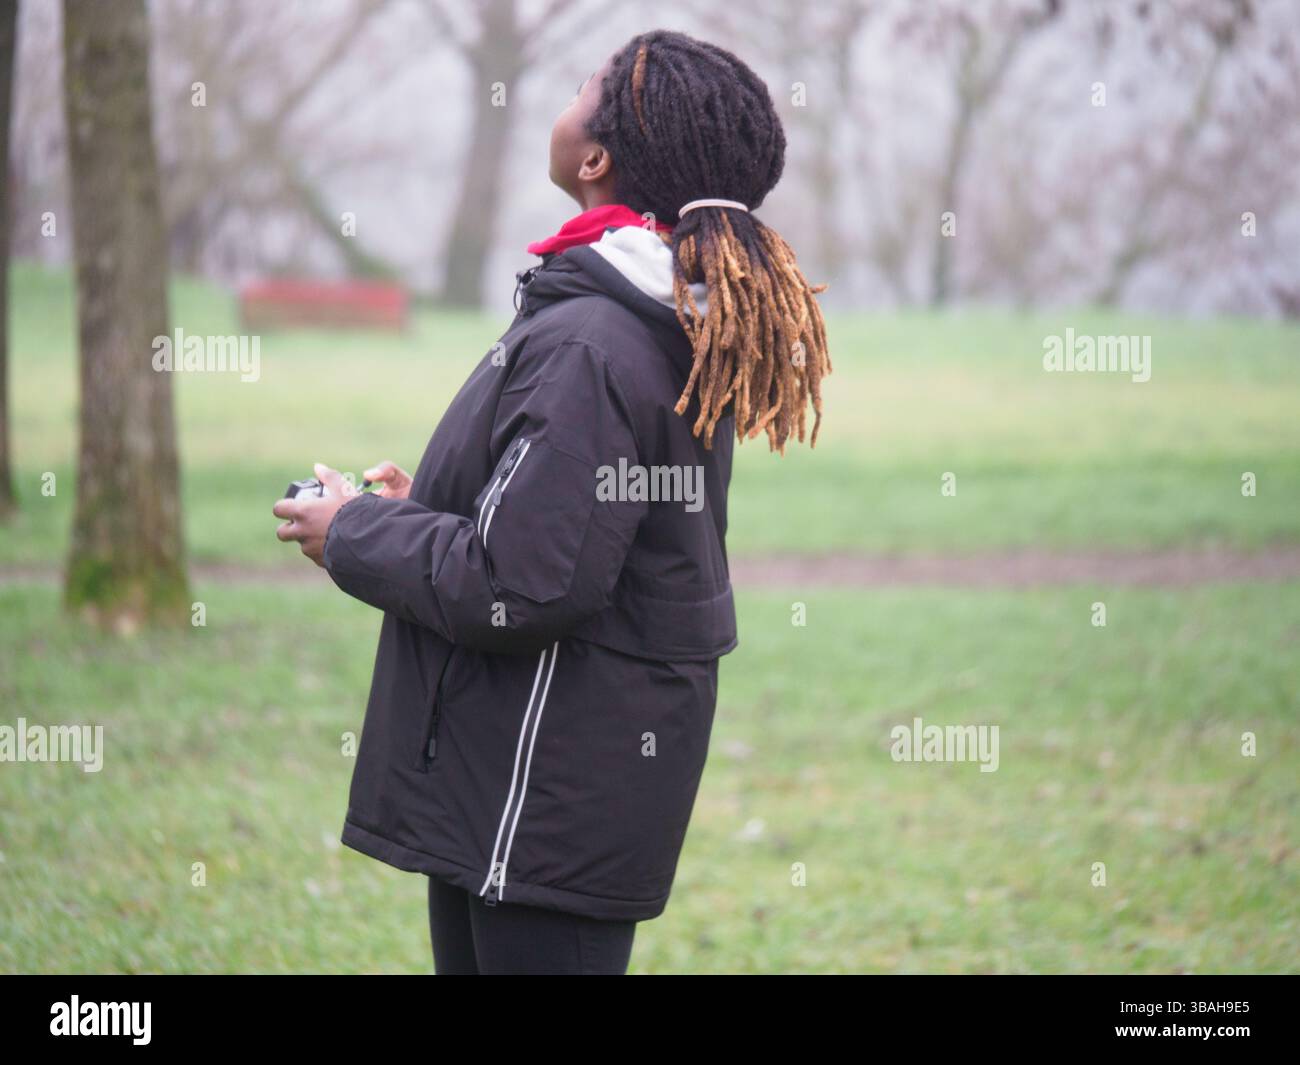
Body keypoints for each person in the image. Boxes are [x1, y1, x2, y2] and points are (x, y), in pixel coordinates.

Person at [273, 28, 830, 975]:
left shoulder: (595, 339)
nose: (562, 103)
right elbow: (563, 528)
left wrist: (358, 532)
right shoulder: (630, 316)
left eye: (580, 89)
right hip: (518, 785)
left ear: (598, 156)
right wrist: (427, 507)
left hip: (549, 799)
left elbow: (522, 583)